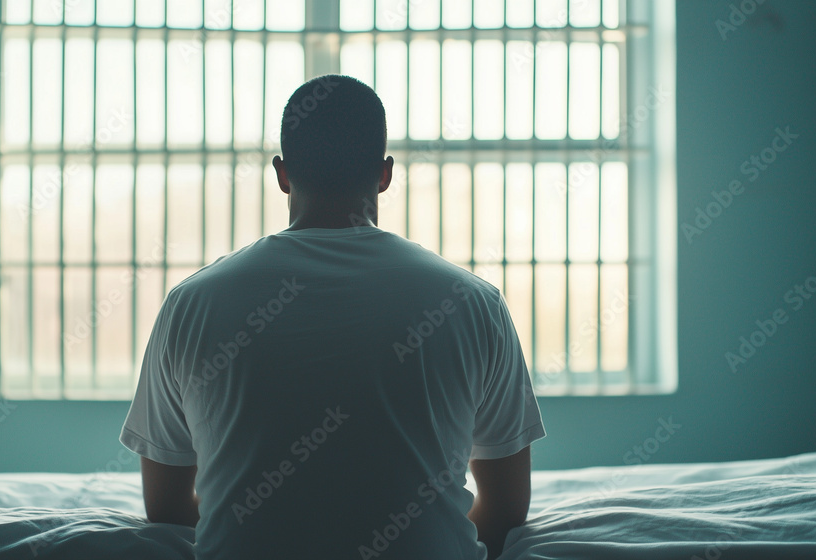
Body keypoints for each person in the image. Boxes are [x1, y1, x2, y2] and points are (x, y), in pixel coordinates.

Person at [120, 74, 546, 560]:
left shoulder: (191, 305)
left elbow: (167, 507)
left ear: (282, 174)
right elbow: (509, 506)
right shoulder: (473, 303)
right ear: (384, 174)